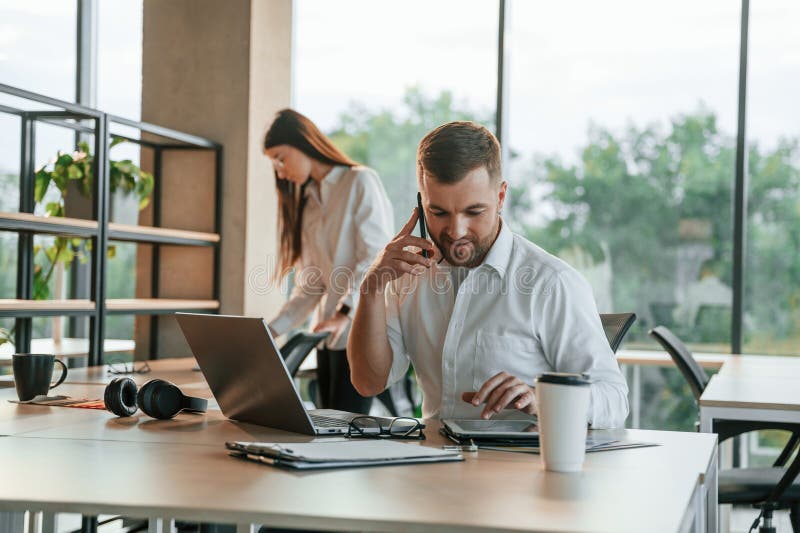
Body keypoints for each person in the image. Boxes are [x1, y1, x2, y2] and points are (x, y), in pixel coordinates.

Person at [347, 121, 629, 428]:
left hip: (513, 456)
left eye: (474, 212)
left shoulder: (552, 283)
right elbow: (368, 383)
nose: (456, 231)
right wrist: (371, 288)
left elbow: (614, 399)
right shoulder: (408, 277)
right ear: (421, 204)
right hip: (432, 453)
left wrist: (544, 398)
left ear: (501, 197)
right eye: (438, 212)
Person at [264, 109, 393, 414]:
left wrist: (344, 312)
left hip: (359, 334)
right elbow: (311, 285)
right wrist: (270, 332)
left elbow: (375, 259)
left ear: (303, 142)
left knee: (349, 432)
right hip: (327, 339)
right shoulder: (308, 203)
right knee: (328, 429)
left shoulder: (360, 181)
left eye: (281, 158)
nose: (280, 172)